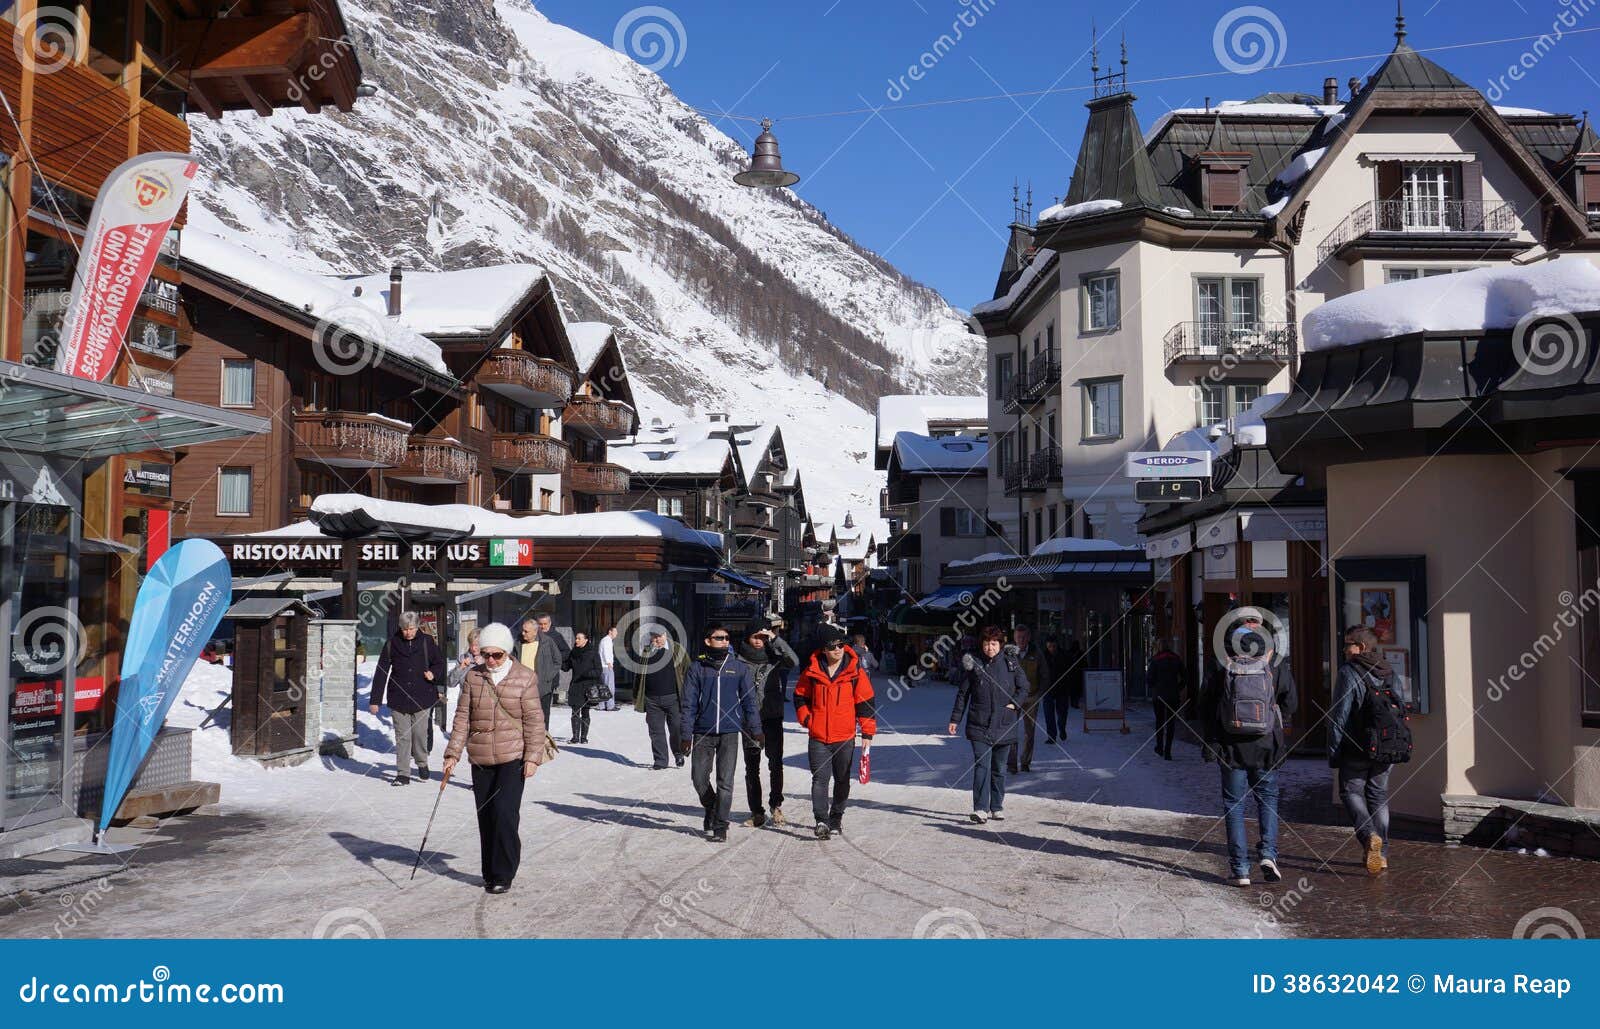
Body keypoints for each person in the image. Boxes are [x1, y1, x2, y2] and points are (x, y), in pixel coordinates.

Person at [442, 622, 544, 894]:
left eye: (496, 655)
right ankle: (490, 871)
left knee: (504, 813)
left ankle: (504, 871)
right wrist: (453, 752)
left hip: (513, 756)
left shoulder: (525, 677)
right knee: (486, 816)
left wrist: (533, 757)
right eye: (486, 654)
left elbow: (535, 720)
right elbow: (462, 717)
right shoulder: (474, 677)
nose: (490, 660)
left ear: (507, 652)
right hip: (481, 756)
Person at [1199, 611, 1298, 887]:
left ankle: (1240, 869)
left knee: (1234, 805)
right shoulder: (1275, 662)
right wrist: (1277, 717)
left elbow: (1204, 706)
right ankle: (1268, 853)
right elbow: (1292, 703)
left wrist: (1210, 739)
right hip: (1266, 744)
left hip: (1230, 746)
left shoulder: (1221, 661)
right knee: (1267, 798)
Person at [1327, 626, 1400, 876]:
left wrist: (1333, 750)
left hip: (1356, 745)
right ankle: (1383, 853)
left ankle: (1369, 836)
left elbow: (1339, 715)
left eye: (1349, 644)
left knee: (1350, 792)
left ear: (1362, 647)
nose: (1345, 649)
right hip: (1386, 744)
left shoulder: (1349, 671)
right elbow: (1400, 707)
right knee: (1378, 795)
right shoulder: (1388, 670)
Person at [793, 625, 876, 840]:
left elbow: (865, 702)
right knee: (820, 779)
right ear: (823, 650)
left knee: (842, 780)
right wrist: (807, 719)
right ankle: (821, 820)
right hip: (818, 737)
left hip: (845, 736)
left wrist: (867, 733)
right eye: (832, 647)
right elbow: (800, 696)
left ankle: (836, 817)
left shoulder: (854, 672)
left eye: (841, 645)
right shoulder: (811, 671)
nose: (838, 649)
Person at [681, 623, 761, 842]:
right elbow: (688, 704)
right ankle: (712, 807)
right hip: (702, 732)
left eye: (727, 638)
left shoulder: (738, 667)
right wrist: (686, 734)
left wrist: (756, 729)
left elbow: (749, 702)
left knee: (725, 781)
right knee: (699, 778)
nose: (725, 641)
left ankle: (720, 825)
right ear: (708, 641)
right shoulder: (697, 667)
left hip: (729, 732)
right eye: (720, 638)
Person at [949, 625, 1027, 823]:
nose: (990, 648)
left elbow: (1024, 686)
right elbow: (963, 693)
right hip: (979, 723)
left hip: (1004, 722)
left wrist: (1014, 704)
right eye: (986, 644)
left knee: (999, 768)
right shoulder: (973, 663)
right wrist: (955, 719)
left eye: (994, 644)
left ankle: (996, 806)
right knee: (982, 765)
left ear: (1000, 644)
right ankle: (981, 809)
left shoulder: (1011, 661)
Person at [369, 611, 446, 786]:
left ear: (417, 627)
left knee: (419, 734)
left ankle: (422, 762)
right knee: (402, 737)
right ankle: (403, 773)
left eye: (411, 628)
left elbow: (439, 662)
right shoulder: (391, 644)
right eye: (405, 629)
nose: (408, 632)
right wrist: (375, 699)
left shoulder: (427, 642)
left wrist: (433, 673)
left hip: (423, 696)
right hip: (398, 697)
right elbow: (381, 671)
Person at [738, 622, 800, 827]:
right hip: (750, 720)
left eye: (763, 637)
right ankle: (756, 811)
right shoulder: (738, 661)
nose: (759, 641)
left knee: (775, 763)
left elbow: (794, 660)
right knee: (752, 767)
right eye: (755, 637)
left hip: (772, 716)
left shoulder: (775, 658)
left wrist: (775, 639)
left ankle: (776, 805)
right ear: (747, 638)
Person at [635, 626, 689, 769]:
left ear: (665, 635)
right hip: (652, 699)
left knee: (676, 728)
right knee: (655, 731)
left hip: (674, 698)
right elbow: (640, 674)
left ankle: (678, 754)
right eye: (654, 636)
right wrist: (638, 695)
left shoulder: (677, 649)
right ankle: (660, 760)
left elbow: (688, 670)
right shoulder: (647, 651)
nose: (656, 639)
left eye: (659, 636)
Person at [518, 613, 568, 724]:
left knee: (543, 713)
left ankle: (543, 737)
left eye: (545, 624)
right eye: (540, 624)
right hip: (524, 684)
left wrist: (548, 672)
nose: (543, 626)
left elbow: (561, 657)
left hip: (546, 681)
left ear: (550, 624)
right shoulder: (520, 641)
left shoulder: (554, 638)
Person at [1007, 624, 1043, 774]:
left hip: (1031, 697)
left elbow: (1045, 674)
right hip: (1013, 698)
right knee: (1010, 731)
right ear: (1014, 638)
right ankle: (1012, 764)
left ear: (1028, 638)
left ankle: (1026, 762)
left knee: (1030, 732)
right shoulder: (1008, 654)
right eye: (1018, 637)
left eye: (1023, 637)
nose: (1021, 639)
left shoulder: (1037, 653)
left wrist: (1040, 692)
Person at [1147, 639, 1188, 760]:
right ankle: (1168, 751)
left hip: (1158, 695)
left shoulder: (1155, 660)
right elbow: (1185, 677)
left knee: (1159, 722)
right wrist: (1178, 688)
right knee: (1171, 723)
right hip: (1173, 695)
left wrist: (1154, 688)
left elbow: (1149, 679)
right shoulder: (1176, 658)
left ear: (1158, 647)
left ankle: (1159, 747)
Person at [563, 630, 603, 744]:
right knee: (575, 711)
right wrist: (558, 661)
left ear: (586, 640)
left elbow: (599, 671)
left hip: (588, 686)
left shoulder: (593, 653)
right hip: (575, 685)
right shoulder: (573, 653)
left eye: (579, 638)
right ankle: (575, 737)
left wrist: (587, 674)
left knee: (585, 711)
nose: (576, 640)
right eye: (576, 638)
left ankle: (584, 737)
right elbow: (566, 667)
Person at [1039, 636, 1071, 744]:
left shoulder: (1064, 655)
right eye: (1049, 646)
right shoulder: (1043, 656)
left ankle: (1062, 728)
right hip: (1047, 688)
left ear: (1057, 645)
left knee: (1062, 712)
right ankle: (1051, 736)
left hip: (1062, 688)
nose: (1051, 648)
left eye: (1053, 646)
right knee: (1049, 714)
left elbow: (1070, 671)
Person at [597, 625, 619, 711]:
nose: (616, 634)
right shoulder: (607, 641)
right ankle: (610, 706)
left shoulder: (605, 640)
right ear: (610, 632)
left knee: (604, 686)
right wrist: (609, 663)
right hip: (606, 666)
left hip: (604, 666)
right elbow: (606, 652)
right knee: (610, 687)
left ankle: (602, 705)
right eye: (615, 632)